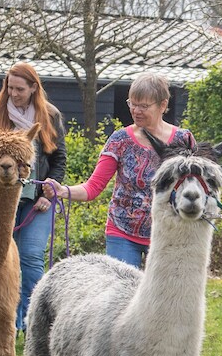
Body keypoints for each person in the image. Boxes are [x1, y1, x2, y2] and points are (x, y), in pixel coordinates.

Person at [43, 71, 195, 269]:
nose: (136, 110)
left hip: (169, 233)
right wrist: (63, 190)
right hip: (122, 232)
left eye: (144, 106)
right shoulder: (119, 140)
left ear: (163, 105)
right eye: (132, 103)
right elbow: (93, 187)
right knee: (123, 296)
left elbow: (196, 186)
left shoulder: (183, 140)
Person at [0, 62, 68, 332]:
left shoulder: (49, 116)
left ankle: (36, 321)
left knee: (30, 256)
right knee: (2, 259)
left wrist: (50, 192)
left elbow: (58, 159)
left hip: (36, 201)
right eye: (10, 88)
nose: (14, 93)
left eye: (20, 89)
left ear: (34, 88)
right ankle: (9, 319)